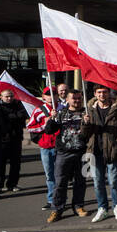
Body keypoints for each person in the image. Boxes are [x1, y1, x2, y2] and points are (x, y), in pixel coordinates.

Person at [83, 85, 117, 222]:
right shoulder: (89, 110)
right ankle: (102, 208)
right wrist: (85, 123)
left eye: (104, 92)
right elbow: (84, 133)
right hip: (95, 150)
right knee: (98, 182)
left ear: (109, 93)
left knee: (114, 180)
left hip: (112, 150)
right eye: (99, 92)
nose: (102, 95)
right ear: (95, 94)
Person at [45, 90, 90, 222]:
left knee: (81, 182)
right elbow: (49, 131)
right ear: (68, 100)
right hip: (63, 153)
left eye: (78, 98)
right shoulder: (61, 113)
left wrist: (87, 123)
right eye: (73, 98)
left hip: (83, 152)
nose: (76, 101)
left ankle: (78, 206)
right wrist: (52, 119)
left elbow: (92, 131)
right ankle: (57, 209)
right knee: (60, 183)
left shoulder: (86, 113)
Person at [0, 87, 27, 193]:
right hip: (2, 139)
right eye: (6, 96)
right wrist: (13, 117)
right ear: (1, 96)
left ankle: (12, 184)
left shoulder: (18, 104)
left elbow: (22, 115)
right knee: (0, 163)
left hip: (16, 138)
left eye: (11, 96)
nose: (9, 98)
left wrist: (10, 117)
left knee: (16, 163)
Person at [34, 89, 59, 211]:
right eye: (48, 95)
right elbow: (31, 127)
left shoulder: (64, 107)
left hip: (60, 146)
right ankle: (51, 199)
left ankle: (60, 198)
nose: (51, 97)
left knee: (60, 175)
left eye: (53, 94)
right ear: (43, 96)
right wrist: (46, 123)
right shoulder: (39, 110)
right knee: (50, 175)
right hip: (46, 147)